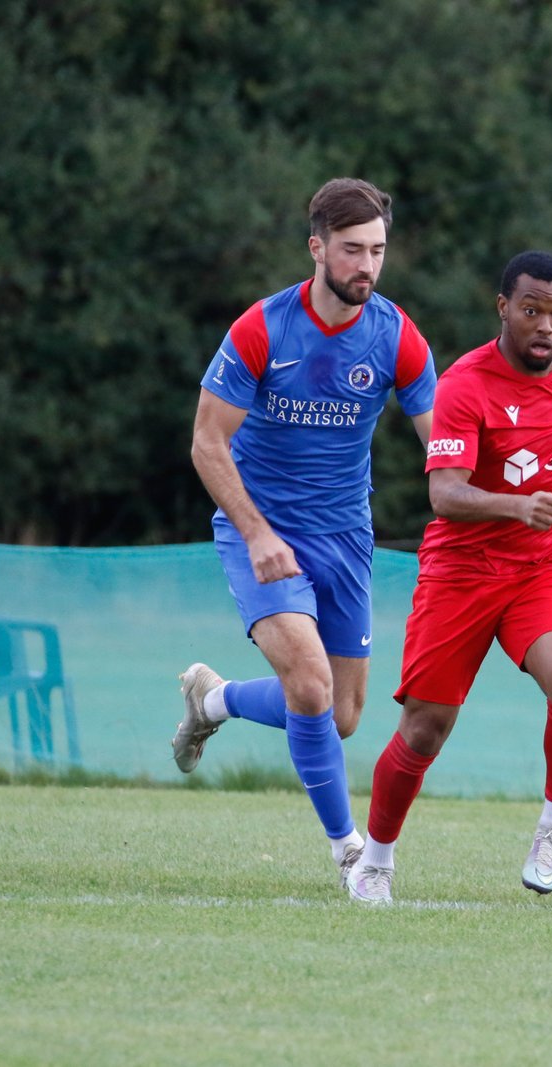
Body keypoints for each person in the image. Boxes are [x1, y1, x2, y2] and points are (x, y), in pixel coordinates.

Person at [172, 177, 437, 889]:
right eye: (353, 250)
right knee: (312, 687)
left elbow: (444, 448)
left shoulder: (397, 335)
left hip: (347, 535)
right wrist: (256, 532)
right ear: (317, 247)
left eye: (378, 250)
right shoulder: (262, 328)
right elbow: (206, 442)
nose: (367, 266)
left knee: (342, 714)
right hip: (263, 530)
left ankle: (215, 699)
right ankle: (350, 851)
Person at [344, 250, 552, 905]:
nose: (547, 326)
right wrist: (518, 504)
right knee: (426, 727)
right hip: (461, 572)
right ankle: (374, 861)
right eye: (533, 310)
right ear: (504, 308)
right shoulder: (464, 384)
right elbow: (445, 493)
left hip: (540, 567)